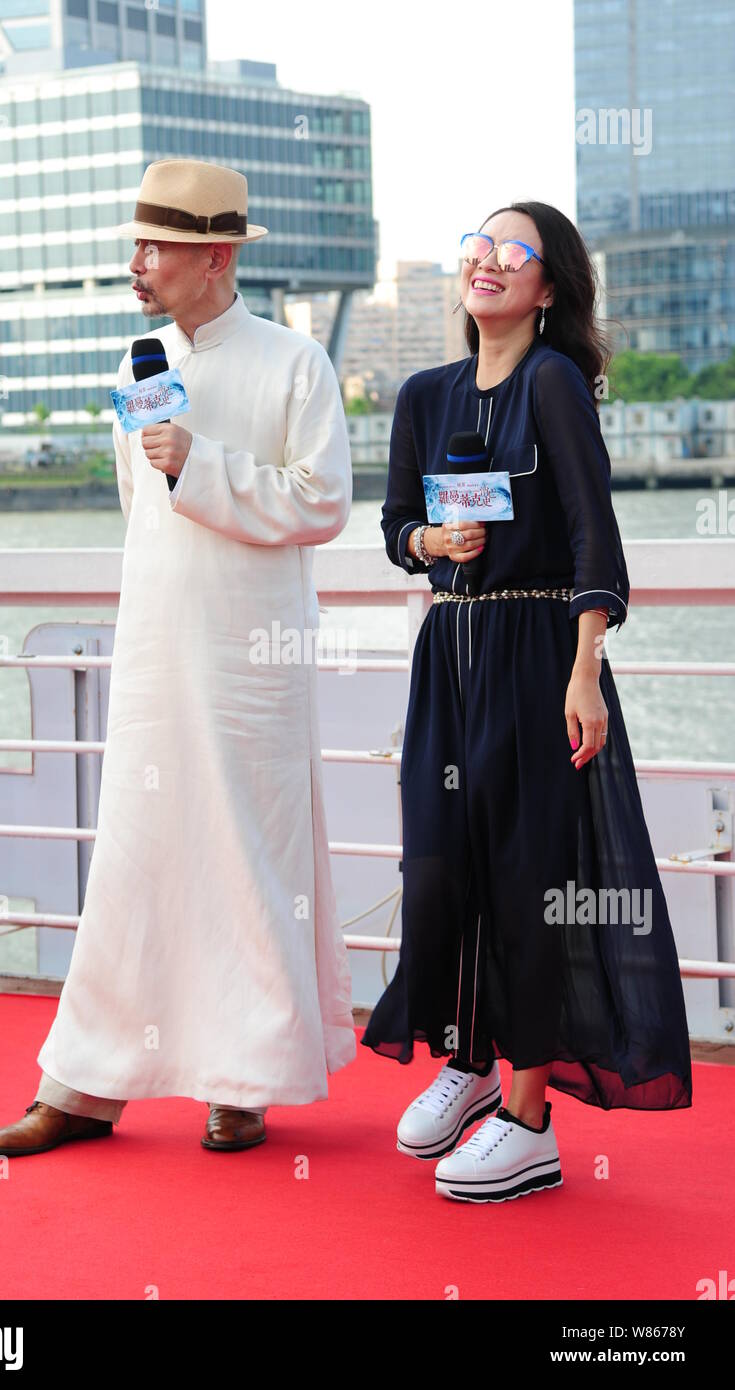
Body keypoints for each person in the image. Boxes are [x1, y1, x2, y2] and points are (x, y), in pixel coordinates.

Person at [0, 158, 356, 1158]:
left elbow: (322, 502)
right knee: (137, 853)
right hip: (154, 637)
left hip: (252, 653)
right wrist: (178, 493)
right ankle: (85, 1083)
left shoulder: (294, 362)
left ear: (215, 255)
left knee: (247, 849)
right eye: (136, 246)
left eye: (155, 248)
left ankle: (245, 1076)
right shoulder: (134, 360)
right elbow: (135, 509)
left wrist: (201, 462)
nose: (136, 265)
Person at [360, 201, 692, 1203]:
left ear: (546, 287)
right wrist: (430, 544)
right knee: (436, 869)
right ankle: (465, 1061)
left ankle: (529, 1113)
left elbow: (594, 533)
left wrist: (584, 668)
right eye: (474, 248)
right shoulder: (423, 395)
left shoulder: (552, 383)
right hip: (449, 649)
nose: (486, 263)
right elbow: (392, 524)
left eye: (513, 252)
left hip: (538, 646)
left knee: (528, 876)